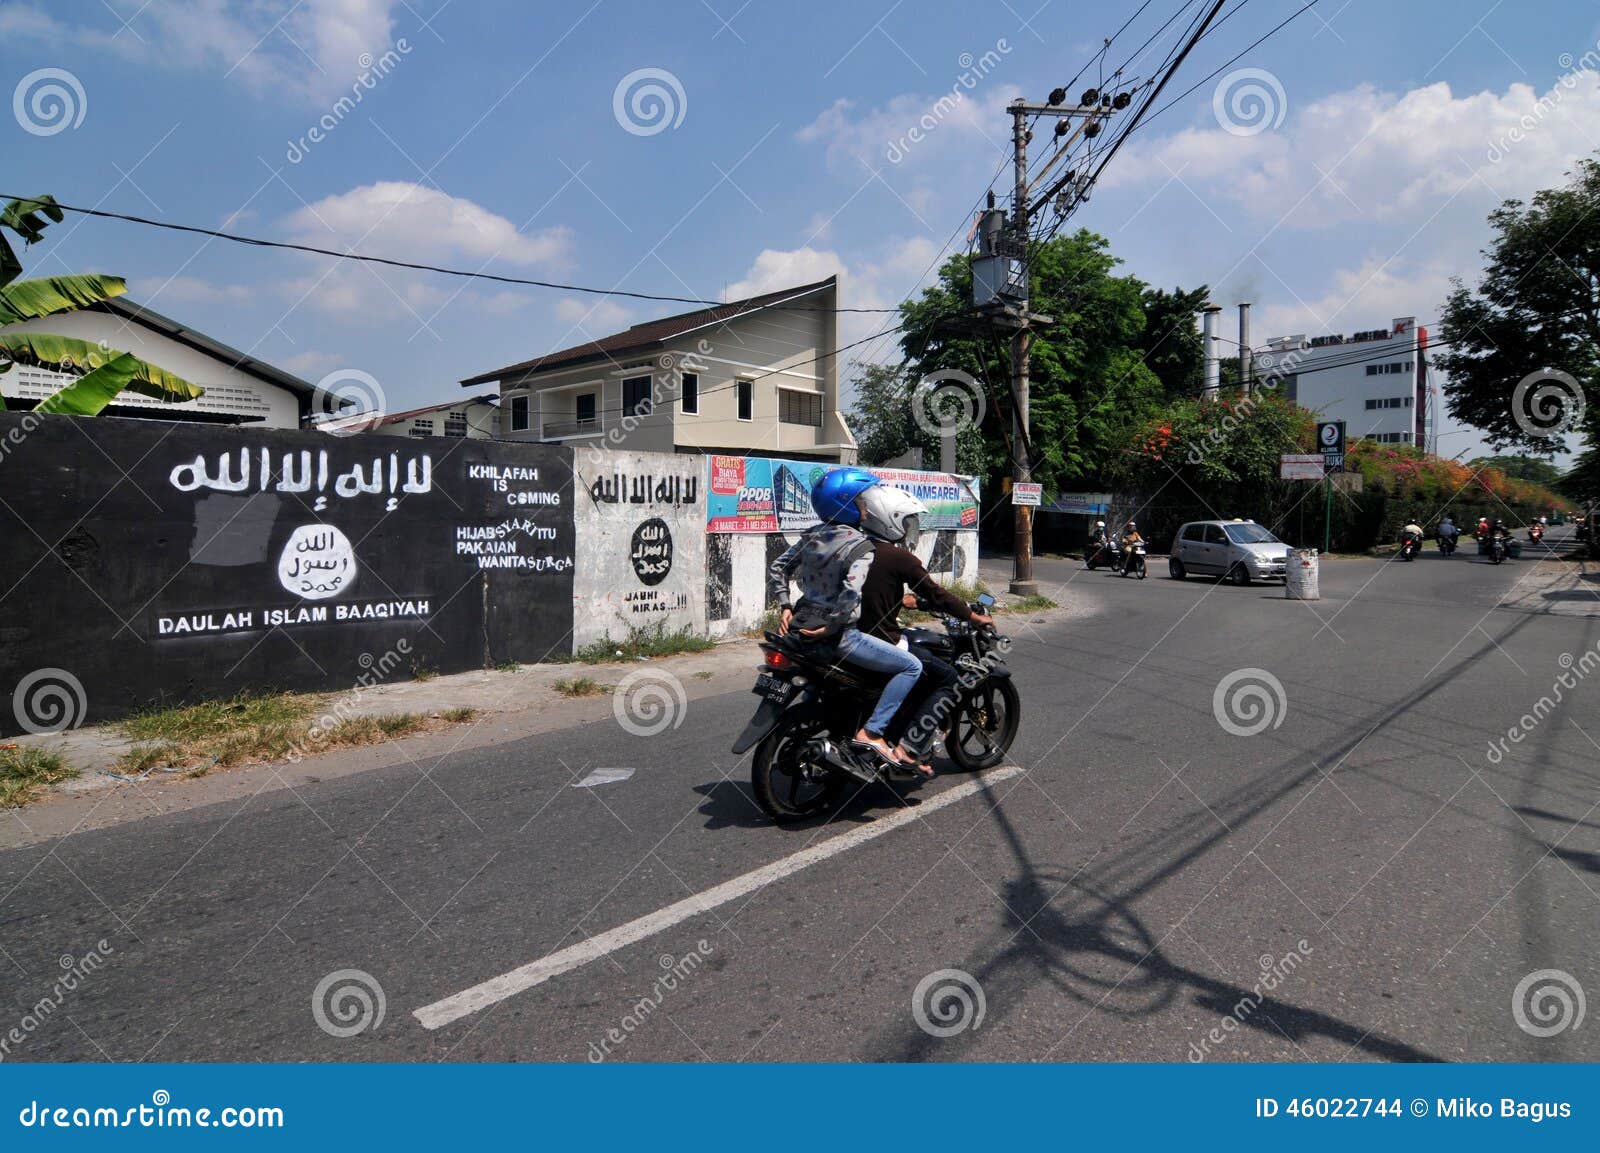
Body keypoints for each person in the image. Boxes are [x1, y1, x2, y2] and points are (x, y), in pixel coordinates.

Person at [768, 468, 923, 773]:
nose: (867, 508)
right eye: (862, 502)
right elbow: (851, 594)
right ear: (848, 505)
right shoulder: (860, 546)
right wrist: (835, 624)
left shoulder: (812, 536)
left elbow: (778, 567)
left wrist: (785, 605)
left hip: (800, 625)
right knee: (912, 666)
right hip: (840, 637)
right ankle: (873, 733)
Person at [850, 485, 994, 776]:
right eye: (905, 521)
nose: (907, 528)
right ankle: (909, 747)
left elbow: (870, 590)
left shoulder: (854, 548)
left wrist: (898, 600)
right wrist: (972, 616)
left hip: (850, 635)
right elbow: (937, 593)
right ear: (889, 519)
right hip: (881, 641)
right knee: (949, 677)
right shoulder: (898, 557)